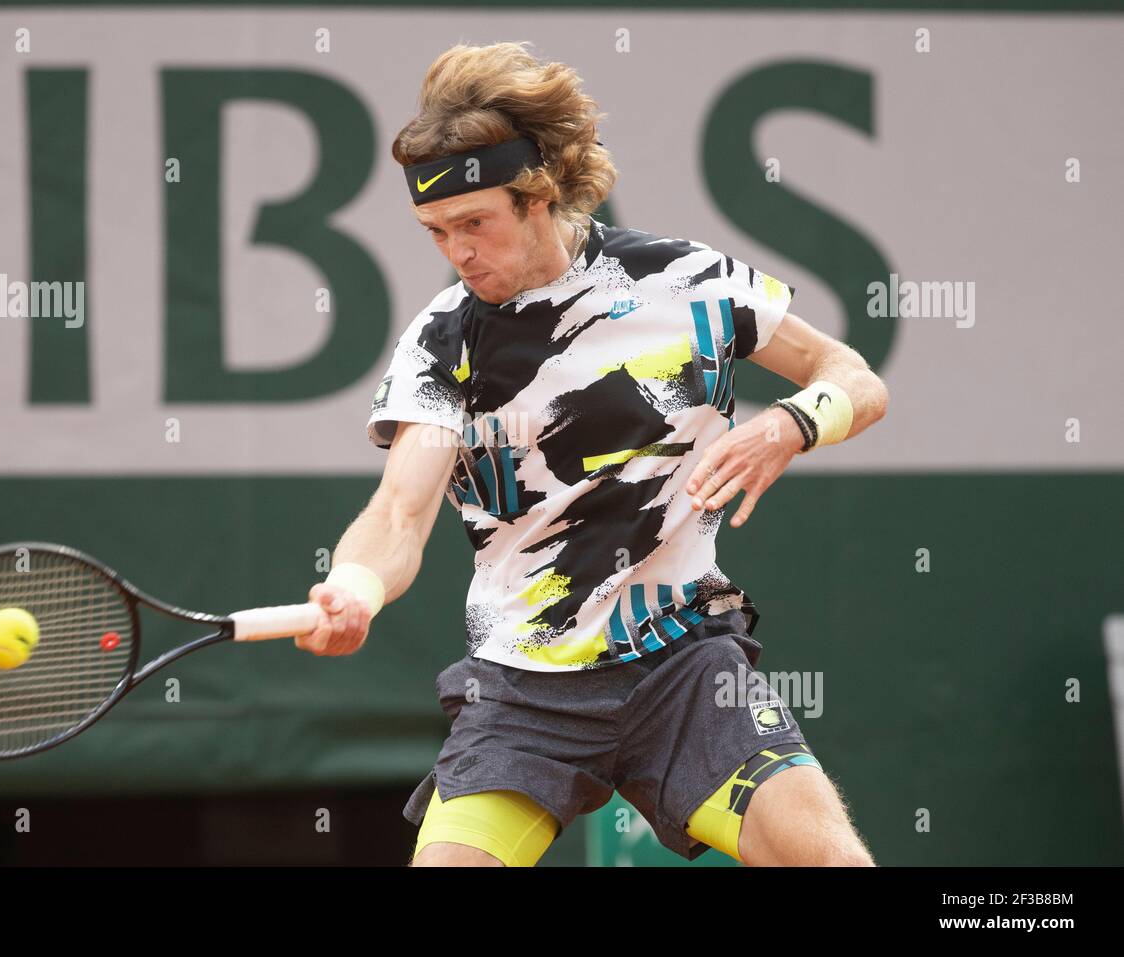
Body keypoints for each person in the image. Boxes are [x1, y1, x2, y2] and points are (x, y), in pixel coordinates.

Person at [299, 42, 886, 867]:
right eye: (437, 231)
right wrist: (356, 584)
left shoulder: (685, 282)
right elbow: (400, 510)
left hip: (683, 664)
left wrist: (792, 421)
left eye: (476, 223)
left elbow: (854, 377)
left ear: (537, 197)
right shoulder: (441, 342)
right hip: (521, 688)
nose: (458, 252)